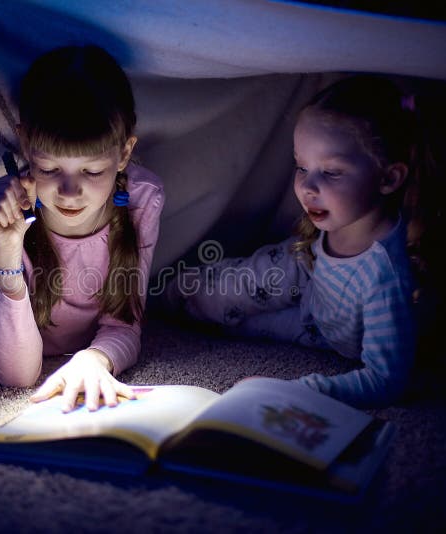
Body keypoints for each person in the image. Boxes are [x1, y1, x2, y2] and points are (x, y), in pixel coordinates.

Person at [164, 75, 432, 407]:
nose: (307, 187)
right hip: (308, 274)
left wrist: (302, 389)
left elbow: (385, 379)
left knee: (240, 324)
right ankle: (161, 294)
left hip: (323, 331)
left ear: (389, 178)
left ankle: (169, 301)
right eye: (301, 167)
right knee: (226, 288)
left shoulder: (385, 277)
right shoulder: (341, 215)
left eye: (331, 172)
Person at [0, 45, 165, 412]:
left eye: (92, 172)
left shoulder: (142, 198)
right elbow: (17, 374)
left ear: (123, 154)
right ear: (25, 145)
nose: (70, 193)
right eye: (48, 169)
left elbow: (124, 323)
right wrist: (8, 251)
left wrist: (96, 358)